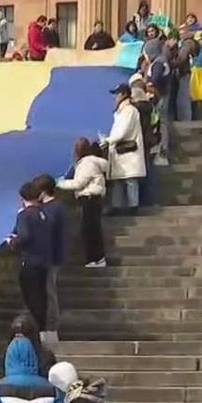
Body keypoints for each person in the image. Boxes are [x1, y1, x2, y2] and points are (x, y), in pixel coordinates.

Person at [56, 138, 109, 268]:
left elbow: (79, 183)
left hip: (90, 199)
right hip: (91, 199)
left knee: (90, 230)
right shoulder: (87, 163)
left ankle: (96, 258)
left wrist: (59, 183)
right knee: (91, 229)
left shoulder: (87, 163)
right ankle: (96, 258)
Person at [6, 182, 51, 332]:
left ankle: (34, 329)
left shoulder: (24, 215)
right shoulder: (44, 213)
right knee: (41, 296)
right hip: (44, 261)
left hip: (30, 261)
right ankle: (42, 328)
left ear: (21, 198)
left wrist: (12, 241)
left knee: (32, 297)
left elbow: (24, 236)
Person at [31, 174, 67, 348]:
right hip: (44, 258)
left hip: (50, 258)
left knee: (49, 293)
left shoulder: (54, 208)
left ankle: (51, 329)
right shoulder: (51, 208)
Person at [103, 83, 147, 213]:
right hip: (121, 151)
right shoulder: (123, 111)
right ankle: (117, 206)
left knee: (130, 179)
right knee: (120, 180)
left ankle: (133, 206)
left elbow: (122, 132)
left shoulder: (128, 111)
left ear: (123, 95)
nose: (115, 97)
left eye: (117, 94)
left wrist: (107, 140)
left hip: (127, 150)